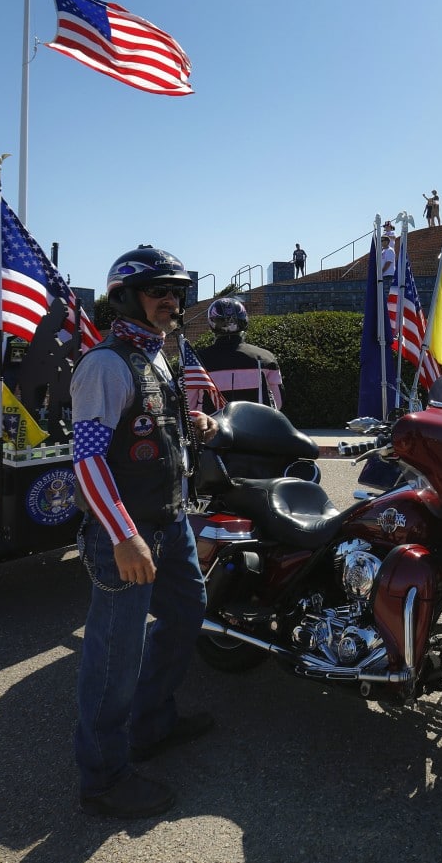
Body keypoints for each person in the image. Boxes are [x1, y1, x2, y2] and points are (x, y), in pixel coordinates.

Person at [71, 245, 218, 819]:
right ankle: (103, 779)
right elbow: (87, 460)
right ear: (127, 297)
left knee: (187, 612)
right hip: (127, 534)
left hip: (171, 520)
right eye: (159, 290)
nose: (171, 300)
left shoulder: (158, 357)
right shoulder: (106, 363)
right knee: (113, 654)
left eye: (176, 292)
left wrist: (196, 424)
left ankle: (152, 724)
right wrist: (122, 534)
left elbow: (157, 429)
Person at [197, 297, 284, 409]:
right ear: (244, 319)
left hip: (213, 424)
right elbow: (278, 402)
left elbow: (190, 403)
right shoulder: (266, 358)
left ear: (212, 322)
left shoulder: (198, 360)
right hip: (255, 424)